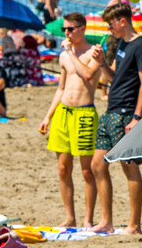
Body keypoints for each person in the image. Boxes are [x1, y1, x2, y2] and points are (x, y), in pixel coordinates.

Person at [87, 2, 142, 234]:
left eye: (110, 24)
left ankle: (134, 225)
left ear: (122, 21)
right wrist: (102, 62)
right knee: (97, 165)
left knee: (129, 167)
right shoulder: (122, 43)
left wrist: (137, 117)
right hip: (111, 111)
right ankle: (107, 222)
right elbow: (113, 77)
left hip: (126, 113)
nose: (108, 28)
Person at [39, 12, 101, 228]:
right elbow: (61, 88)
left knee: (87, 170)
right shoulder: (64, 56)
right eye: (64, 29)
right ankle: (70, 217)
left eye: (70, 29)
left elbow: (87, 76)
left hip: (84, 114)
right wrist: (48, 115)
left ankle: (87, 219)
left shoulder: (94, 53)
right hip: (64, 114)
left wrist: (70, 53)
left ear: (82, 28)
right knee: (63, 169)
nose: (66, 33)